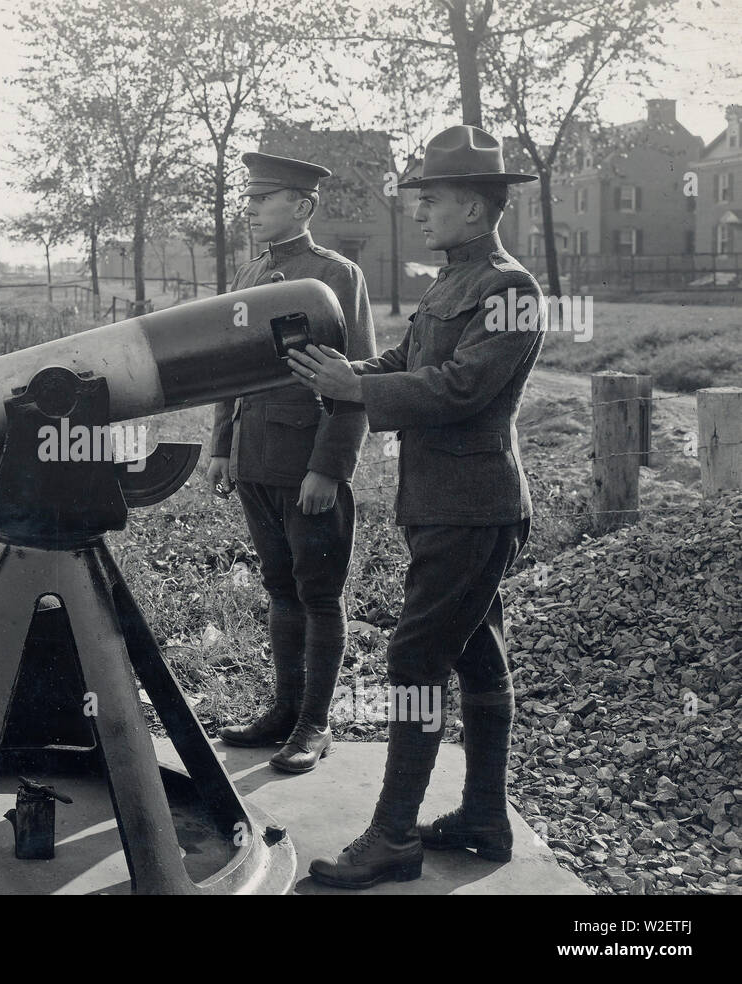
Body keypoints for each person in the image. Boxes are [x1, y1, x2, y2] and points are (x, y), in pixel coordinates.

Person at [287, 124, 543, 888]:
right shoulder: (452, 281)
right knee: (475, 652)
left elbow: (464, 388)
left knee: (415, 657)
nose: (420, 213)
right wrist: (343, 369)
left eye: (431, 200)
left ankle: (394, 835)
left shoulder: (511, 291)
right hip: (445, 503)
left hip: (474, 505)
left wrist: (356, 390)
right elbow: (408, 363)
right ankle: (485, 818)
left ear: (473, 206)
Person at [207, 151, 377, 773]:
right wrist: (223, 445)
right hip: (255, 458)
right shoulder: (250, 275)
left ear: (301, 206)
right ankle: (284, 710)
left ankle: (315, 722)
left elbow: (356, 374)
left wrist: (329, 467)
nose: (248, 208)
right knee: (280, 588)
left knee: (318, 592)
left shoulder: (334, 276)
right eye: (248, 198)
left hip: (307, 460)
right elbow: (229, 367)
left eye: (263, 198)